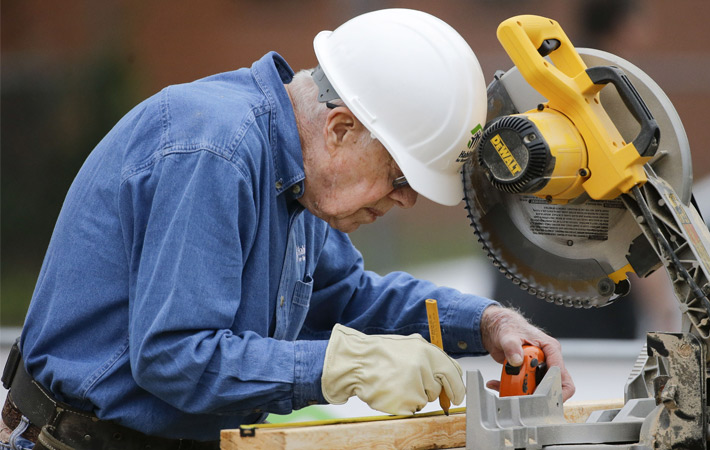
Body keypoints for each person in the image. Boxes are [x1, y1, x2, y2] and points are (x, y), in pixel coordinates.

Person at [1, 9, 574, 449]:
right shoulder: (217, 152)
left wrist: (489, 322)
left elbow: (349, 297)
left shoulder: (291, 179)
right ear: (342, 130)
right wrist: (338, 367)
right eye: (400, 177)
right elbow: (174, 356)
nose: (403, 200)